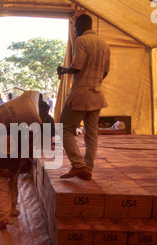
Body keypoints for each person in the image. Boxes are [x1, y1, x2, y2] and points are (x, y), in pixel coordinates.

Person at [57, 14, 110, 181]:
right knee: (91, 134)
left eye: (74, 28)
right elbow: (106, 71)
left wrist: (64, 70)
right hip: (97, 94)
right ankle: (88, 168)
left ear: (80, 26)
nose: (74, 32)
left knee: (63, 129)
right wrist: (95, 81)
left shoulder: (81, 41)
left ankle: (79, 166)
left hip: (81, 94)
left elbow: (77, 66)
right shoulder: (104, 44)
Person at [0, 132, 28, 230]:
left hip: (1, 165)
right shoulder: (19, 127)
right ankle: (13, 209)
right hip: (14, 165)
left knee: (2, 190)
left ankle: (3, 219)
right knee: (13, 185)